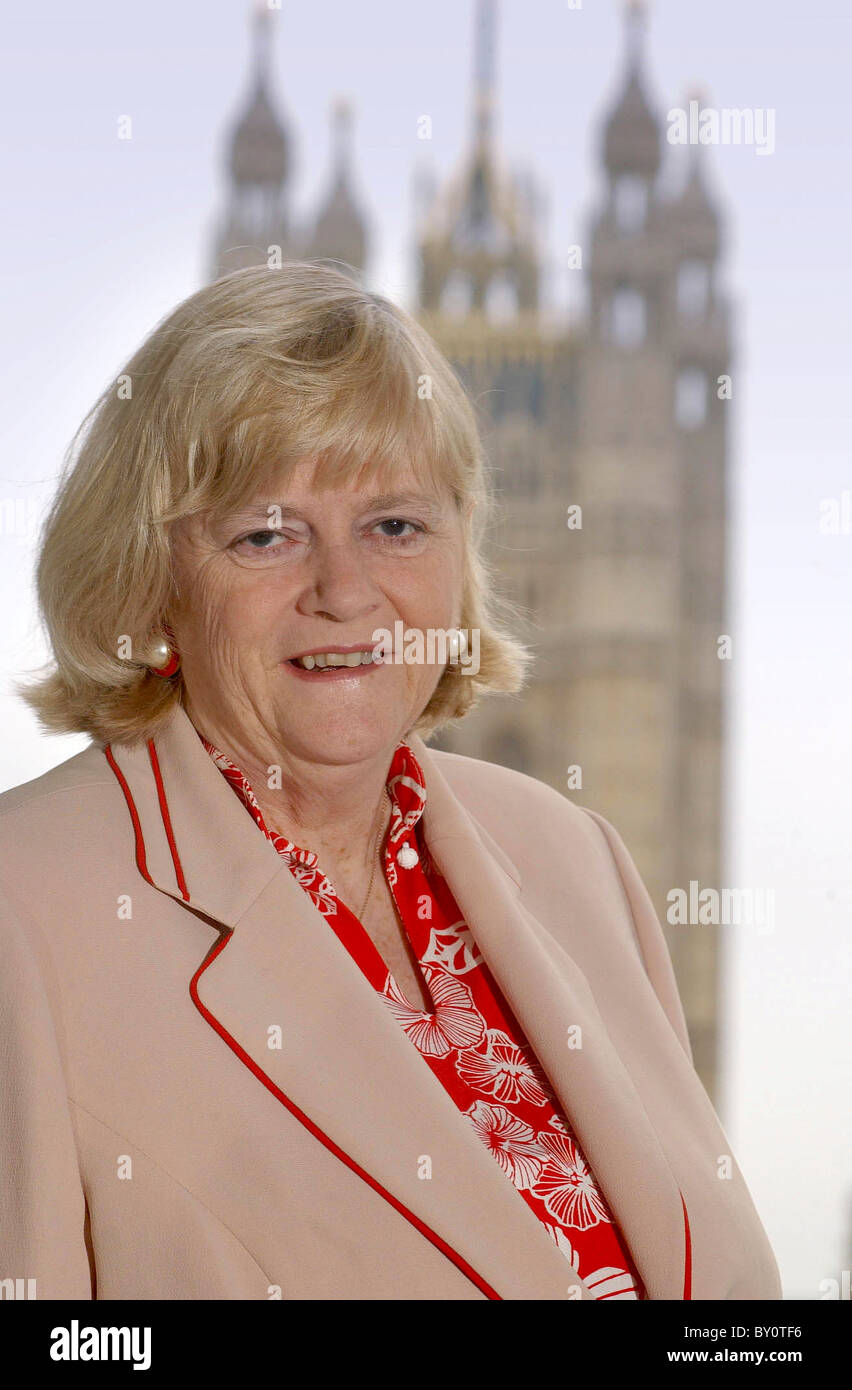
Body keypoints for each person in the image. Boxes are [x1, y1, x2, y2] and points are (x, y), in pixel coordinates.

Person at [0, 263, 781, 1300]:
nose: (345, 591)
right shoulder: (27, 911)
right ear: (149, 585)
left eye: (396, 526)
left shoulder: (575, 859)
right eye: (265, 534)